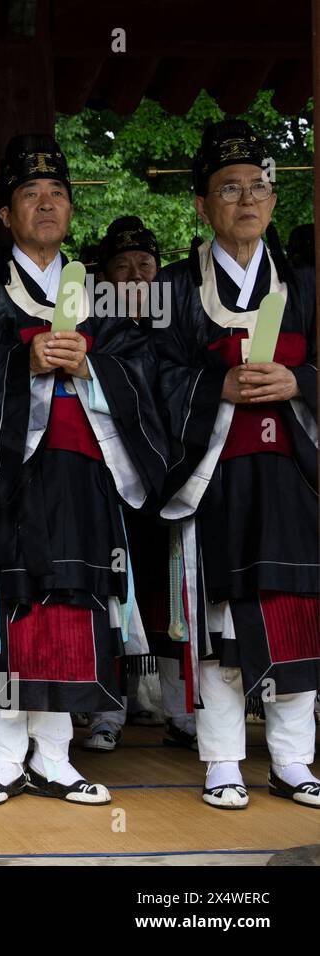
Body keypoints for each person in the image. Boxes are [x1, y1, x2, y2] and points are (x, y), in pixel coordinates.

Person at [0, 134, 167, 808]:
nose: (46, 205)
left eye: (57, 195)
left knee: (70, 607)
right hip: (9, 473)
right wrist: (25, 363)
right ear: (6, 216)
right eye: (29, 195)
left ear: (71, 211)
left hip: (80, 470)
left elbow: (141, 371)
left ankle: (57, 757)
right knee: (9, 608)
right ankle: (5, 758)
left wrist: (90, 365)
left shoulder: (102, 295)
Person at [152, 119, 318, 809]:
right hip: (213, 474)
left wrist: (301, 381)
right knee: (219, 617)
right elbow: (142, 378)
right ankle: (222, 759)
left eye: (258, 187)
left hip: (293, 476)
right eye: (229, 189)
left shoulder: (307, 284)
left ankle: (294, 759)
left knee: (295, 608)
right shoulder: (170, 288)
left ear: (274, 201)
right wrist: (210, 386)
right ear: (201, 204)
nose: (247, 200)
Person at [82, 216, 195, 753]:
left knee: (172, 594)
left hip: (171, 477)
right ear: (101, 278)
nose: (133, 277)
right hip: (111, 480)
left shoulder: (178, 320)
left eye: (144, 266)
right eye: (120, 268)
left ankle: (180, 710)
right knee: (112, 594)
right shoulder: (94, 325)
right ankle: (109, 710)